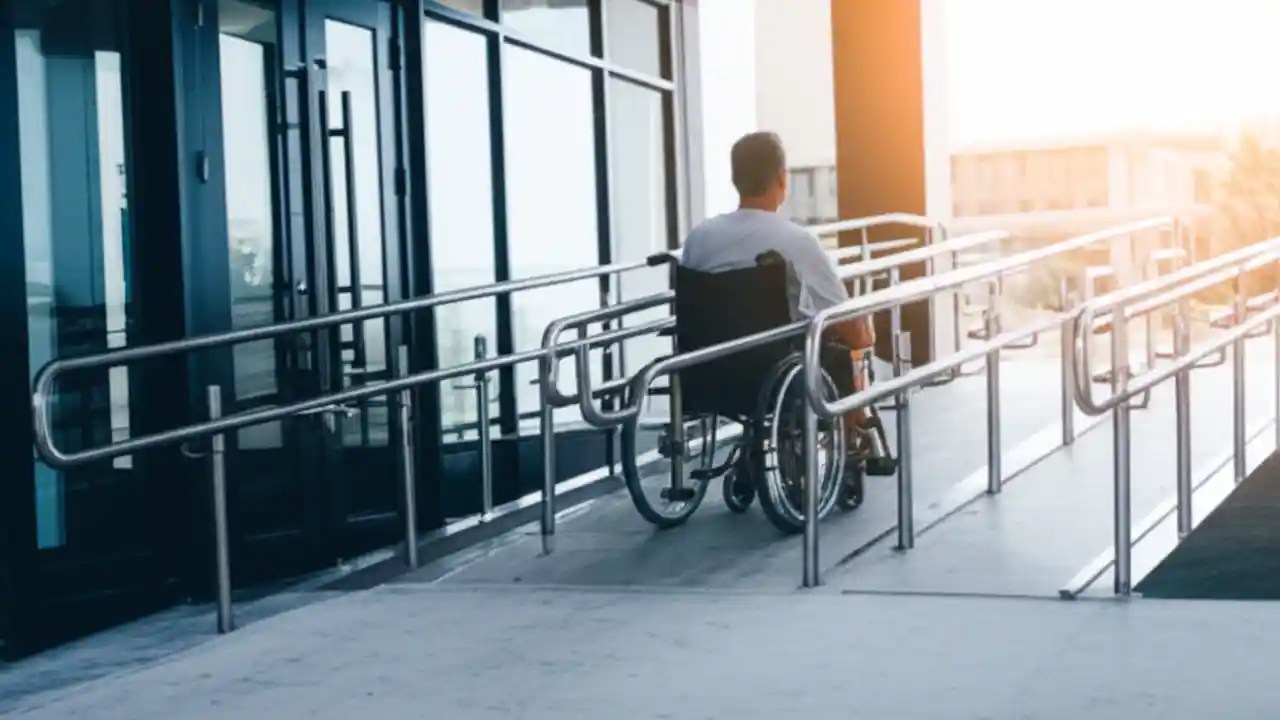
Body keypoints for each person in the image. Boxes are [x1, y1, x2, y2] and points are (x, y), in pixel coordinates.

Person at [681, 131, 880, 480]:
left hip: (705, 372)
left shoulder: (700, 238)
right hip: (771, 374)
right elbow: (855, 331)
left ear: (735, 179)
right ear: (782, 179)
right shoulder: (795, 241)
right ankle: (854, 439)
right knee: (841, 349)